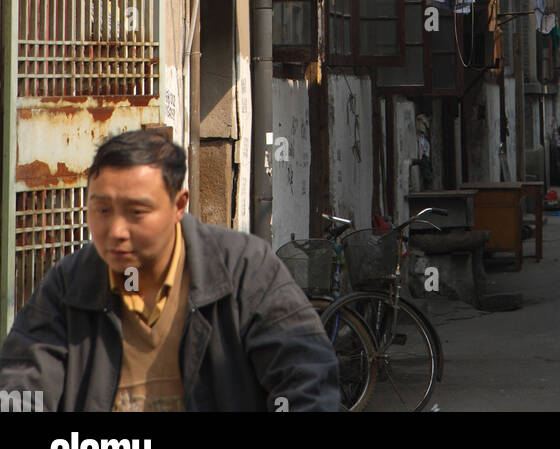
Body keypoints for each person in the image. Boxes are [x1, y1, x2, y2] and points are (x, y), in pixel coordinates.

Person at [0, 129, 340, 411]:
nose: (116, 230)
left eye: (136, 212)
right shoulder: (71, 282)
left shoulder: (244, 269)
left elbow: (304, 377)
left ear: (179, 205)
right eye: (101, 210)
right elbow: (23, 378)